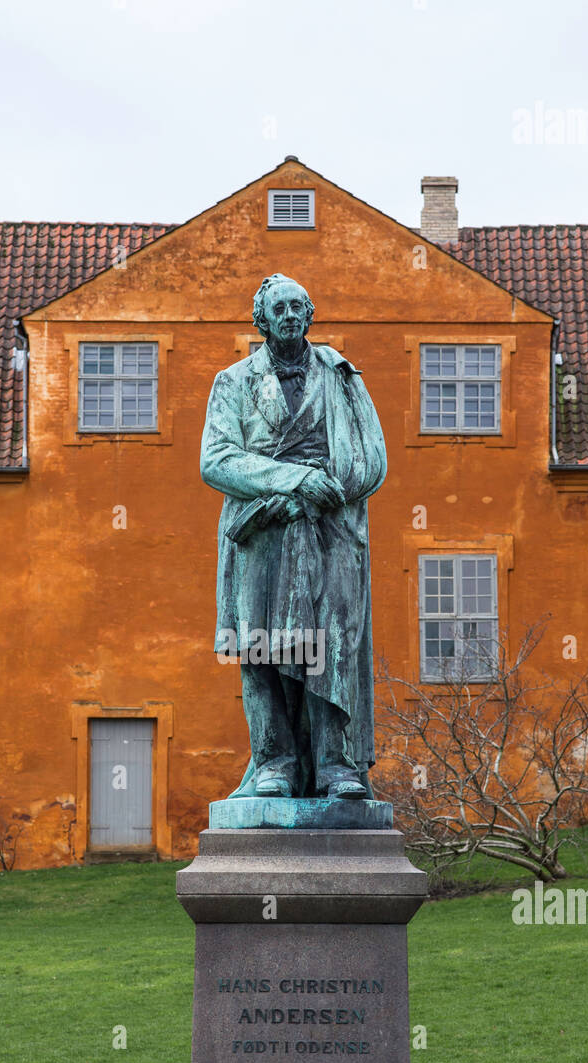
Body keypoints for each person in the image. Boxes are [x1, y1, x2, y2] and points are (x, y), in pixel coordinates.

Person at [200, 273, 387, 799]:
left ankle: (336, 764)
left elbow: (373, 456)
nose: (288, 315)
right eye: (277, 308)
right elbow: (216, 460)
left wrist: (324, 489)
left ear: (310, 315)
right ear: (260, 321)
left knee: (332, 643)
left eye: (297, 307)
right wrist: (293, 478)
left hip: (331, 528)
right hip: (260, 534)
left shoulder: (344, 379)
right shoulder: (233, 382)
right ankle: (273, 763)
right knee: (261, 644)